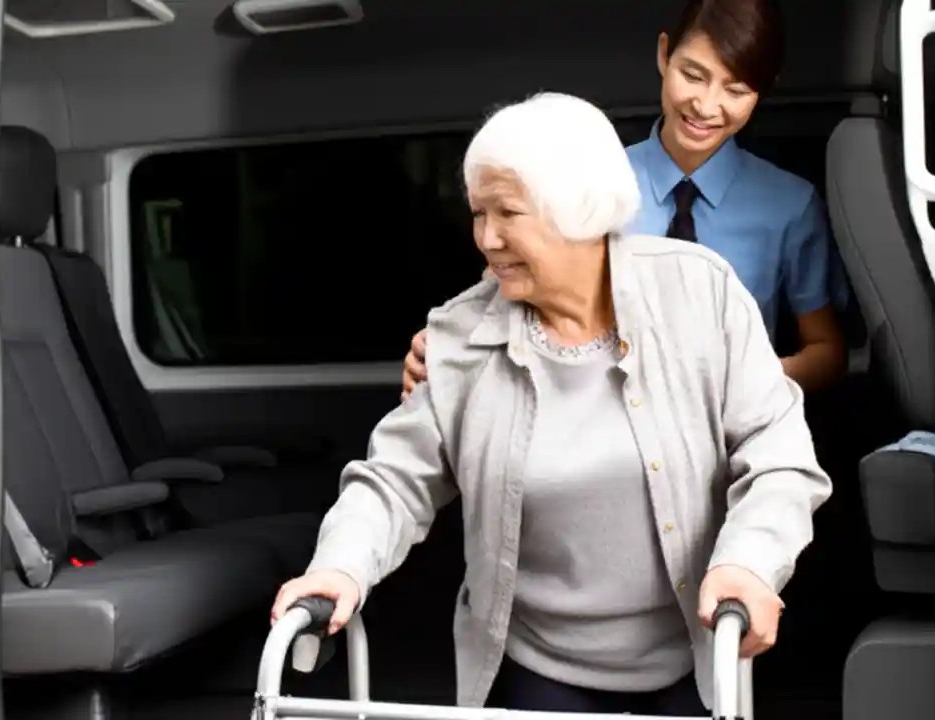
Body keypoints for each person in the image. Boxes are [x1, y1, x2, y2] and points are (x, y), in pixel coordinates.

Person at [270, 92, 832, 715]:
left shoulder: (701, 292)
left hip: (695, 655)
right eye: (478, 213)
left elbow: (778, 456)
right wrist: (339, 567)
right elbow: (394, 482)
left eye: (508, 213)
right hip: (539, 667)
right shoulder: (458, 335)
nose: (487, 238)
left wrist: (749, 563)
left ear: (579, 209)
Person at [400, 0, 849, 400]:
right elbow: (503, 291)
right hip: (589, 415)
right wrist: (443, 347)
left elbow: (827, 350)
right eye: (693, 75)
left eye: (735, 90)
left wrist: (743, 388)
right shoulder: (583, 175)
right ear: (663, 54)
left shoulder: (790, 205)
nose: (706, 105)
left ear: (763, 91)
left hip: (729, 435)